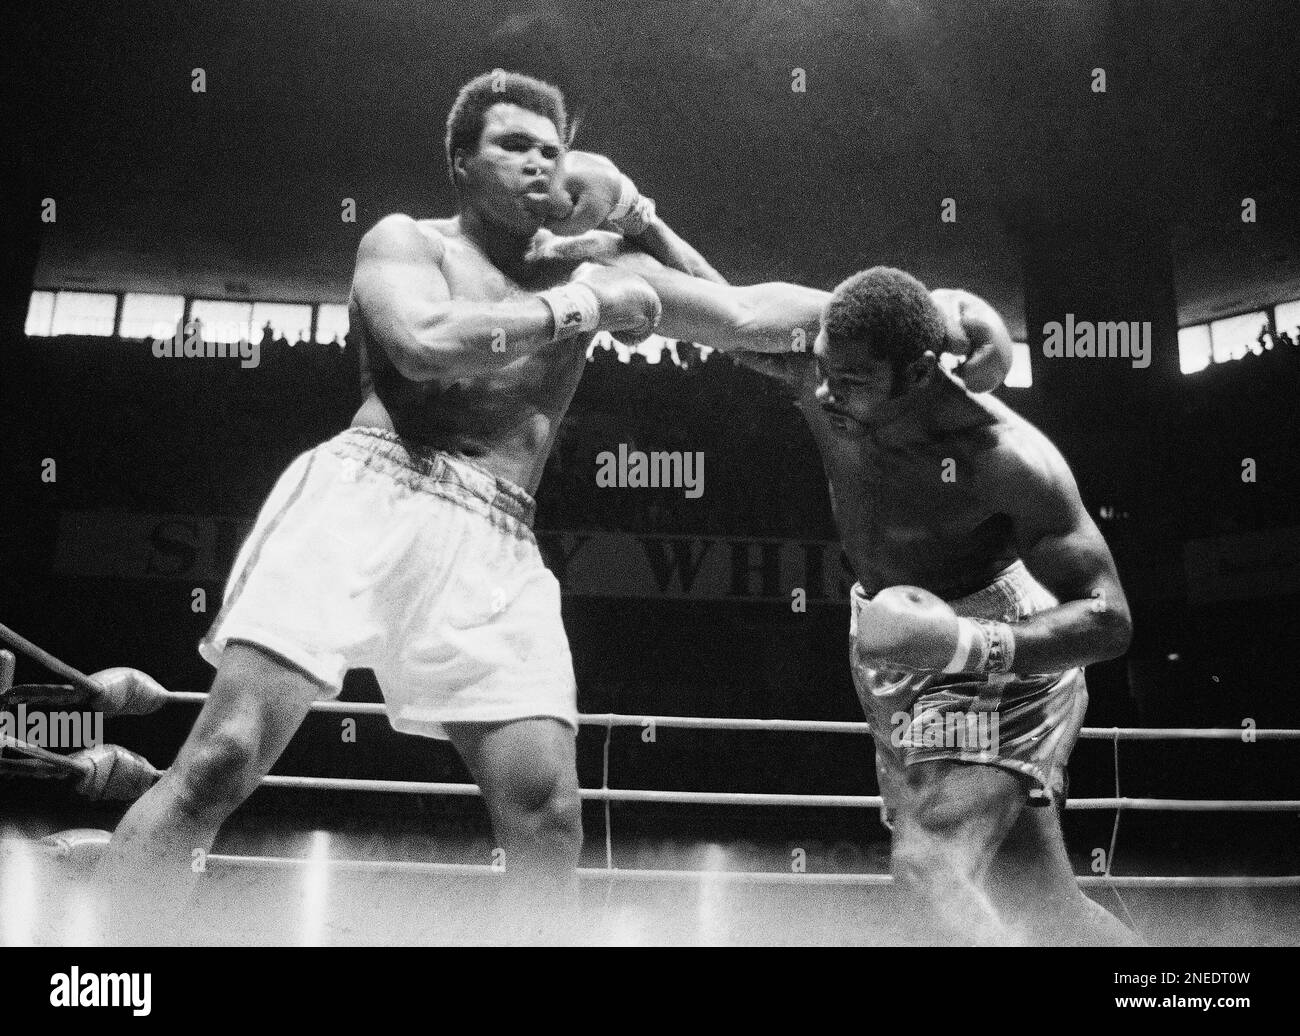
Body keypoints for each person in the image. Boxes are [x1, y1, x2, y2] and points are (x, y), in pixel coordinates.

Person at [95, 70, 825, 943]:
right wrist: (584, 305)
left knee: (549, 816)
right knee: (219, 760)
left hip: (496, 539)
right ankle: (97, 978)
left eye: (552, 151)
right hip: (370, 492)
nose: (537, 164)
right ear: (461, 162)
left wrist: (644, 221)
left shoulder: (604, 262)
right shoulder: (409, 243)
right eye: (512, 144)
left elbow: (753, 325)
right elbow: (423, 344)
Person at [598, 258, 1135, 944]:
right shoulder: (826, 352)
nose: (822, 392)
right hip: (891, 649)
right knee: (1046, 908)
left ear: (917, 375)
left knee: (928, 864)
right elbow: (708, 307)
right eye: (821, 366)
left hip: (1000, 651)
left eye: (849, 381)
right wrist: (607, 234)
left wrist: (966, 644)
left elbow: (1109, 618)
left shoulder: (1003, 458)